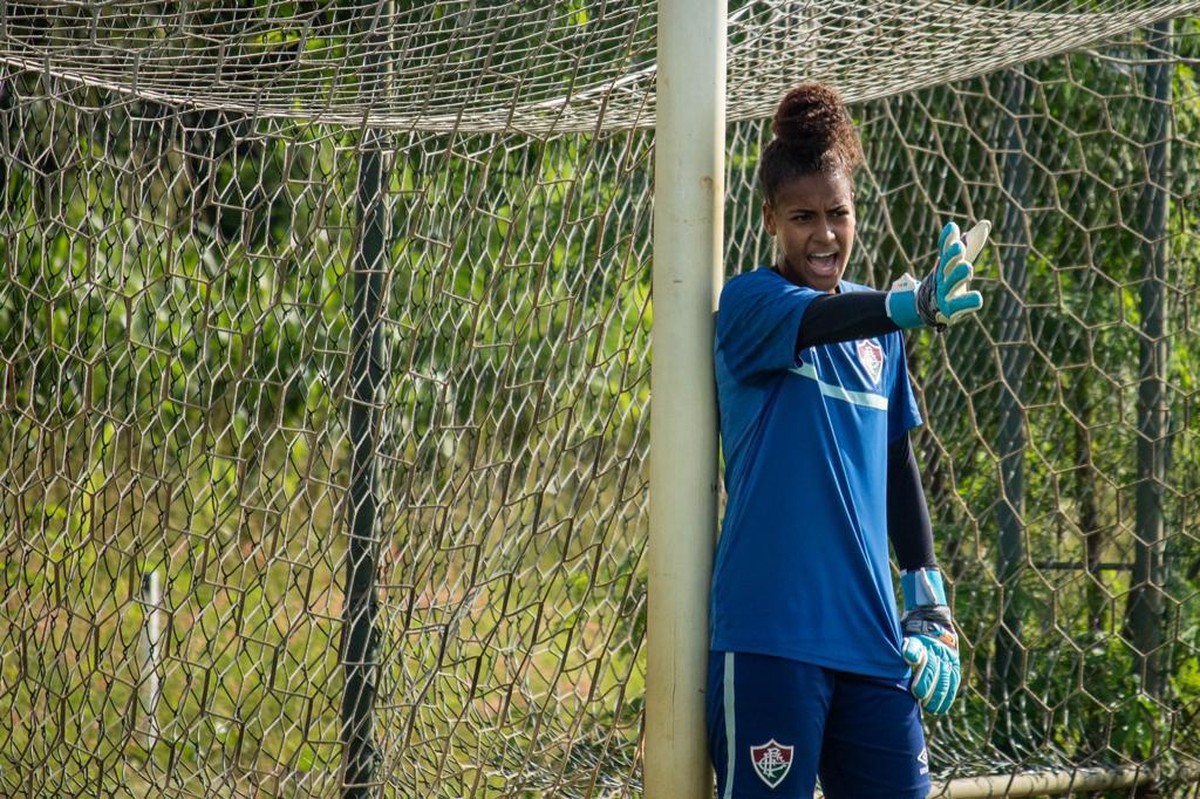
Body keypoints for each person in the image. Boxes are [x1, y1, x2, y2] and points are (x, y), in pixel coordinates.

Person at [707, 82, 988, 798]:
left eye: (838, 214)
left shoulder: (881, 334)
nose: (825, 235)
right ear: (770, 216)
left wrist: (927, 597)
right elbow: (820, 321)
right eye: (803, 216)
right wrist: (906, 304)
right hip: (772, 640)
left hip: (872, 643)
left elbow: (897, 464)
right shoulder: (749, 305)